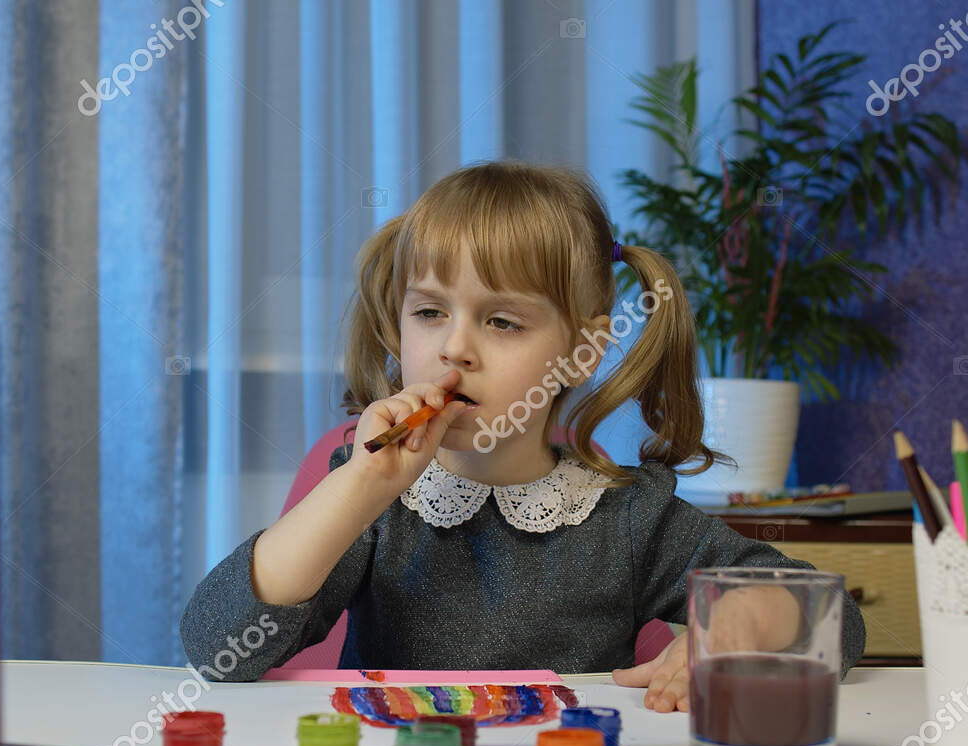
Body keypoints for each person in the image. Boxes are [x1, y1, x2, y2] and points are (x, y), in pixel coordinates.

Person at [180, 160, 866, 712]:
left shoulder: (625, 515)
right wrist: (357, 487)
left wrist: (745, 623)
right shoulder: (373, 501)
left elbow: (840, 624)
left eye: (502, 322)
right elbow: (218, 649)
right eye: (428, 312)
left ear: (582, 349)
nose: (454, 348)